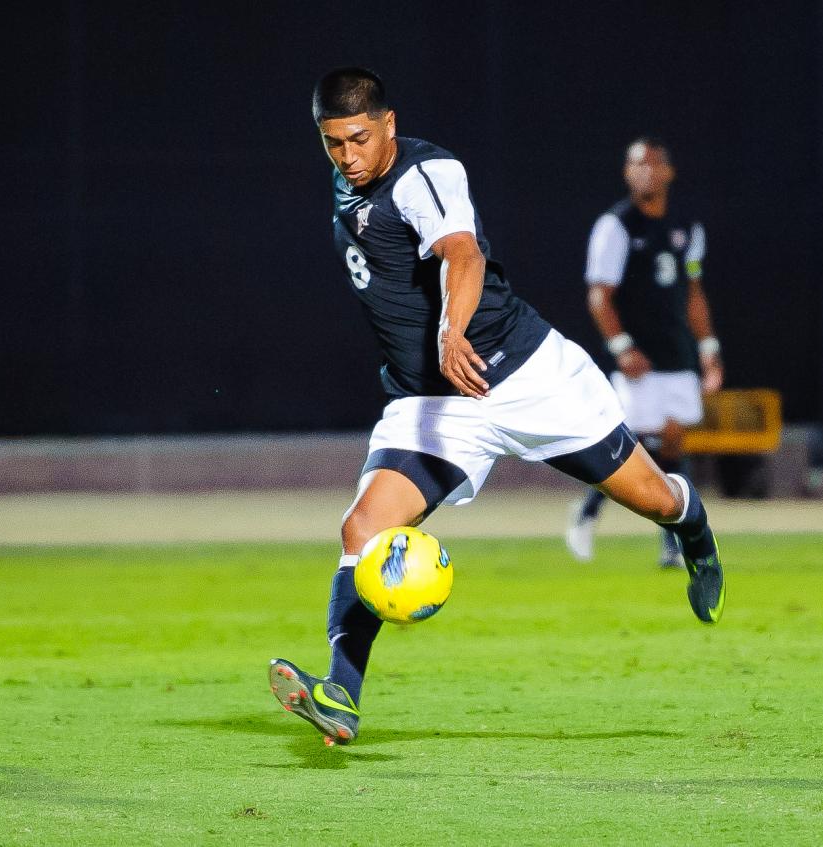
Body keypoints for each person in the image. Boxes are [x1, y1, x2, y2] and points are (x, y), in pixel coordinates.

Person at [269, 68, 726, 746]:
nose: (347, 156)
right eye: (332, 144)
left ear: (388, 124)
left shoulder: (428, 173)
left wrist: (452, 330)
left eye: (359, 139)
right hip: (431, 401)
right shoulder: (347, 180)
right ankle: (341, 692)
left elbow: (462, 252)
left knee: (652, 498)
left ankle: (692, 527)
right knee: (361, 529)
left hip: (523, 376)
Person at [565, 138, 724, 567]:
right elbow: (599, 296)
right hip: (640, 360)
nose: (644, 172)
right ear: (626, 173)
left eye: (652, 165)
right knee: (630, 448)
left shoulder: (687, 226)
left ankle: (671, 542)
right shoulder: (616, 225)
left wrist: (708, 348)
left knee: (671, 446)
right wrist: (621, 347)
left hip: (677, 356)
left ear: (669, 172)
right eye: (635, 165)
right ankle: (587, 512)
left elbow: (693, 291)